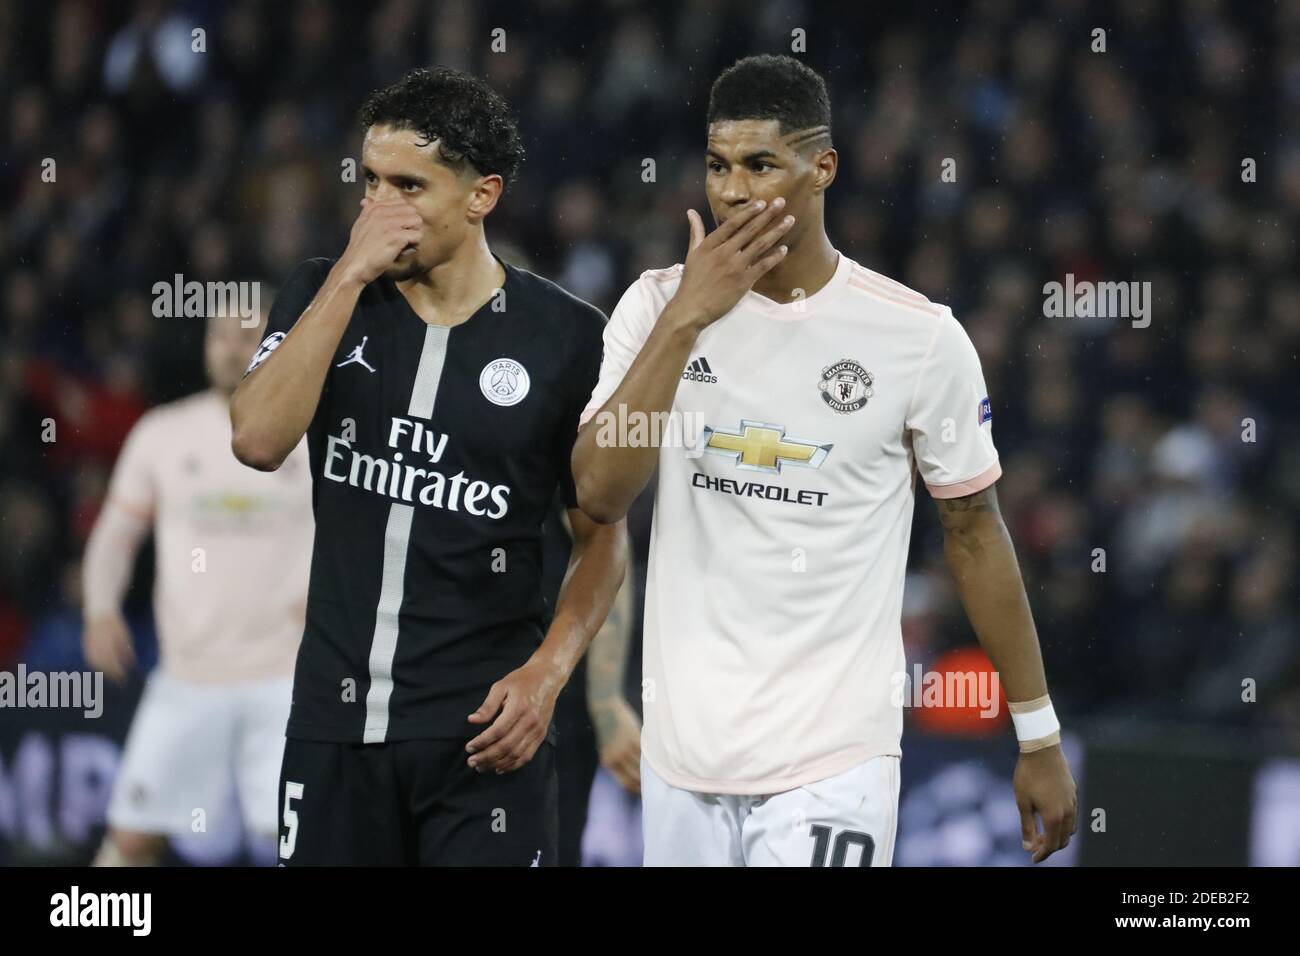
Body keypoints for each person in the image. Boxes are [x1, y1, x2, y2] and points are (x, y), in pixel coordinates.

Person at [571, 55, 1077, 866]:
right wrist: (686, 323)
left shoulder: (918, 339)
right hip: (682, 755)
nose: (733, 191)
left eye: (761, 164)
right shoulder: (655, 307)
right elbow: (598, 494)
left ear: (823, 168)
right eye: (718, 166)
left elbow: (975, 533)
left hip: (832, 760)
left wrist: (1038, 733)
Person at [230, 66, 627, 866]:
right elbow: (257, 440)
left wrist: (548, 675)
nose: (380, 209)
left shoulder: (569, 338)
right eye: (369, 184)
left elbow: (604, 539)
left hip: (483, 740)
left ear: (481, 195)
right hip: (334, 727)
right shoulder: (323, 292)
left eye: (408, 186)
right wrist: (347, 273)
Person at [84, 313, 313, 866]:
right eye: (220, 337)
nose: (231, 349)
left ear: (277, 341)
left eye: (247, 336)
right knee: (134, 838)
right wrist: (99, 609)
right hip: (188, 676)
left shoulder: (314, 432)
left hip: (289, 678)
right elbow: (116, 535)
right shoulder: (163, 433)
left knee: (304, 843)